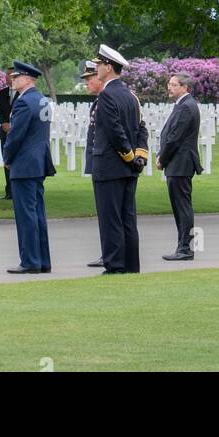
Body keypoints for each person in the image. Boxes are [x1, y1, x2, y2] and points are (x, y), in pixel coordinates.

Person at [91, 44, 148, 274]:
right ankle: (131, 265)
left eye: (99, 64)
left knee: (110, 219)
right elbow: (142, 129)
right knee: (127, 219)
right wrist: (140, 156)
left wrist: (129, 156)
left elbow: (115, 131)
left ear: (108, 67)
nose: (96, 68)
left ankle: (114, 265)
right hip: (129, 169)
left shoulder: (106, 95)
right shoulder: (131, 96)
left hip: (110, 166)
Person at [2, 60, 55, 274]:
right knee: (37, 213)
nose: (12, 80)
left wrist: (7, 157)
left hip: (24, 164)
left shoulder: (24, 102)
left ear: (26, 79)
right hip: (38, 162)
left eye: (16, 77)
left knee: (26, 215)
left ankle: (30, 261)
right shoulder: (41, 99)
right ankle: (42, 260)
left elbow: (16, 135)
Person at [157, 72, 203, 261]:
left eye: (174, 84)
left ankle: (186, 249)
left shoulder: (185, 106)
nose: (169, 87)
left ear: (185, 87)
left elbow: (175, 137)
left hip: (180, 163)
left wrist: (162, 159)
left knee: (182, 207)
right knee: (181, 207)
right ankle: (184, 247)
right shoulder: (184, 104)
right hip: (178, 163)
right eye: (169, 83)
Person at [81, 60, 107, 268]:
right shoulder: (98, 102)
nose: (86, 83)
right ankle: (108, 252)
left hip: (106, 164)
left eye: (89, 79)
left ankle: (110, 254)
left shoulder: (105, 101)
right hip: (99, 162)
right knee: (104, 213)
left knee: (108, 213)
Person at [0, 67, 18, 199]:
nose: (6, 77)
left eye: (9, 74)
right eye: (6, 74)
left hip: (17, 131)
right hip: (4, 132)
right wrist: (4, 123)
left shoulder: (22, 93)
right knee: (6, 162)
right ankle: (9, 191)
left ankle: (17, 191)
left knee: (16, 162)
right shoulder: (3, 92)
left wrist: (12, 125)